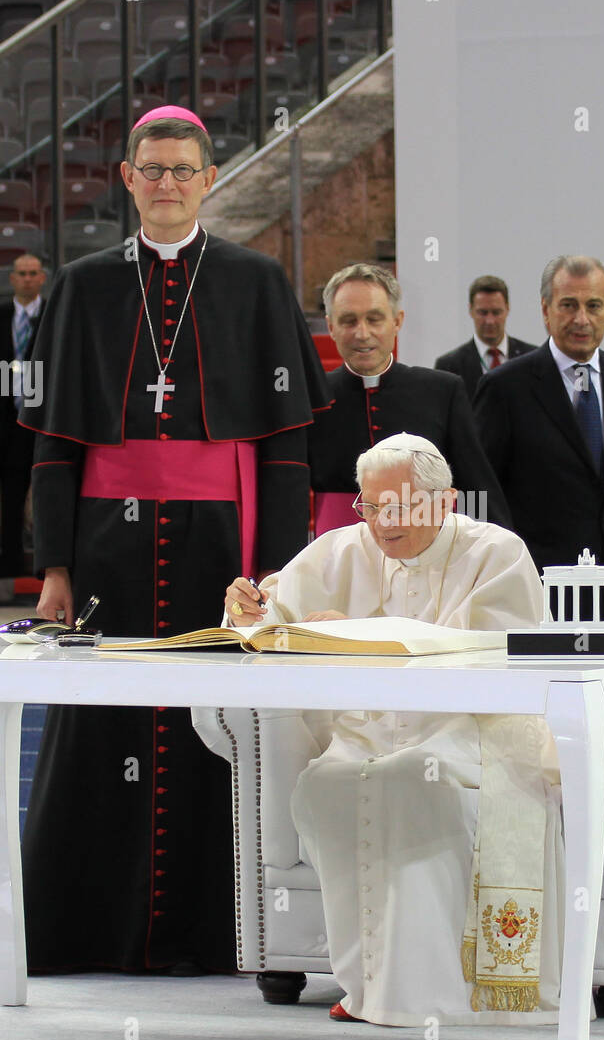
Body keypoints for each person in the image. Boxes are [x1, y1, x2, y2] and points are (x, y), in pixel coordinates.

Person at [20, 105, 330, 975]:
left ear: (209, 179)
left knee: (217, 725)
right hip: (105, 550)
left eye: (181, 171)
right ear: (126, 179)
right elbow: (53, 444)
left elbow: (283, 448)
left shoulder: (254, 281)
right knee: (100, 727)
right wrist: (52, 567)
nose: (165, 184)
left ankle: (222, 933)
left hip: (220, 549)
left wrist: (274, 564)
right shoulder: (83, 285)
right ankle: (83, 928)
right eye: (150, 170)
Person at [223, 433, 563, 1026]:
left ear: (446, 501)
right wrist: (244, 608)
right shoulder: (338, 550)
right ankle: (370, 988)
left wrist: (354, 631)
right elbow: (273, 620)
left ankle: (437, 999)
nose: (383, 523)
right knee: (328, 785)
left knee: (411, 781)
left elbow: (494, 654)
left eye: (400, 507)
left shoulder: (497, 553)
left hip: (470, 731)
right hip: (366, 731)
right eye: (371, 506)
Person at [473, 255, 604, 624]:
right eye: (568, 305)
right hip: (540, 587)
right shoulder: (504, 388)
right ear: (546, 310)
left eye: (594, 306)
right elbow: (482, 491)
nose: (581, 319)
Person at [308, 262, 511, 534]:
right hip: (338, 552)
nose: (362, 333)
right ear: (331, 327)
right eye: (349, 321)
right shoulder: (311, 397)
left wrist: (489, 546)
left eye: (374, 319)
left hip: (428, 554)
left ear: (397, 321)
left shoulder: (441, 391)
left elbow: (474, 487)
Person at [0, 253, 46, 595]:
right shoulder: (2, 317)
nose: (27, 279)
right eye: (22, 274)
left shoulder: (53, 315)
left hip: (45, 417)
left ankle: (50, 567)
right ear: (12, 278)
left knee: (47, 491)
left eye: (33, 273)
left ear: (42, 277)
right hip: (7, 418)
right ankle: (12, 566)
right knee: (10, 495)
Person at [434, 274, 535, 397]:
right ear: (470, 310)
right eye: (483, 313)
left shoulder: (533, 359)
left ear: (507, 309)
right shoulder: (449, 366)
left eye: (496, 312)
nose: (490, 321)